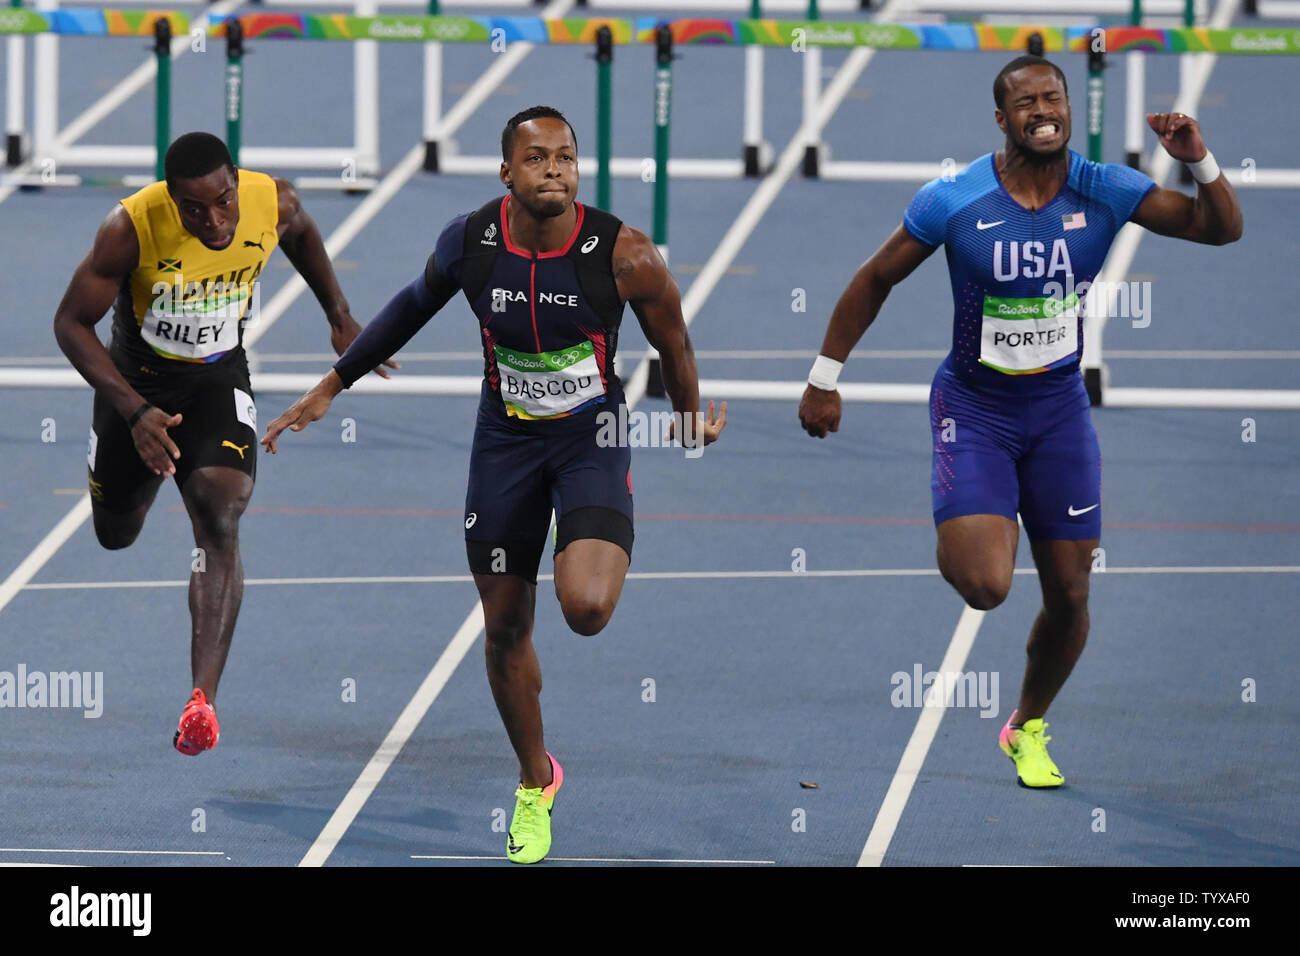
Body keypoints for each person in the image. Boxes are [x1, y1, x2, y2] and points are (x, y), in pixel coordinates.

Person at [261, 106, 726, 862]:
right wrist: (332, 385)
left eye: (566, 158)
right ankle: (535, 782)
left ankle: (581, 539)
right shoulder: (472, 242)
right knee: (505, 626)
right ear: (507, 172)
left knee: (586, 609)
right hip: (506, 442)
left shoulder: (627, 256)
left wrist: (686, 419)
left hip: (590, 440)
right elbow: (414, 303)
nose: (555, 171)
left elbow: (672, 339)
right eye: (537, 158)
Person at [798, 56, 1242, 788]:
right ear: (1002, 120)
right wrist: (824, 379)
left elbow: (1220, 230)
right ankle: (968, 515)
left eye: (1054, 98)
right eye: (1026, 102)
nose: (1043, 111)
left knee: (1070, 594)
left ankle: (1026, 725)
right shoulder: (956, 199)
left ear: (1069, 109)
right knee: (986, 586)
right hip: (974, 409)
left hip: (1059, 412)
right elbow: (876, 277)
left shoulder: (1105, 189)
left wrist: (1200, 161)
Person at [53, 131, 388, 756]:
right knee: (115, 532)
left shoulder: (273, 201)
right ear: (171, 201)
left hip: (217, 377)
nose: (216, 219)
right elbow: (70, 323)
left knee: (221, 509)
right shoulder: (129, 228)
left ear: (237, 181)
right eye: (196, 210)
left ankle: (201, 700)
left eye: (224, 201)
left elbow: (305, 234)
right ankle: (133, 469)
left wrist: (337, 313)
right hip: (138, 387)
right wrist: (133, 413)